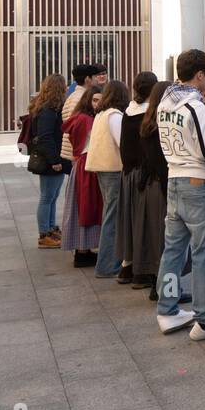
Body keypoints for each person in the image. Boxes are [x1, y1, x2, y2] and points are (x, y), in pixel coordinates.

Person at [155, 49, 205, 340]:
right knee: (203, 251)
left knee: (173, 250)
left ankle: (168, 309)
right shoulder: (193, 105)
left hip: (174, 177)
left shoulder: (165, 101)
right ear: (199, 74)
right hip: (199, 182)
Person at [116, 71, 158, 284]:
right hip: (144, 174)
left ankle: (127, 266)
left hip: (128, 173)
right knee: (146, 223)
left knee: (130, 221)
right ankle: (143, 272)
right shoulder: (149, 113)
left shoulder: (128, 111)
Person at [87, 80, 130, 279]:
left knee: (110, 214)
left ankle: (108, 263)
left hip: (101, 168)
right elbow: (124, 144)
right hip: (113, 169)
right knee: (112, 217)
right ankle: (106, 265)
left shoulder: (101, 114)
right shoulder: (114, 116)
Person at [61, 84, 104, 268]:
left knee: (82, 208)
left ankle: (83, 250)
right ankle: (83, 250)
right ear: (88, 100)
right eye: (94, 100)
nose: (97, 104)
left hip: (82, 165)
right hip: (87, 167)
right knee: (87, 208)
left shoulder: (82, 117)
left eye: (100, 101)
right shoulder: (86, 120)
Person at [135, 81, 171, 297]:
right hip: (161, 185)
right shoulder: (160, 124)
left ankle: (158, 285)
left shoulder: (147, 121)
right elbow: (161, 162)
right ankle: (163, 290)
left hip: (150, 184)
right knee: (166, 241)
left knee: (157, 237)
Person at [29, 74, 68, 249]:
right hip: (49, 160)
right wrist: (54, 160)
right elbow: (45, 137)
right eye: (64, 87)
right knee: (46, 197)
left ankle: (51, 228)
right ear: (58, 89)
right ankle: (44, 234)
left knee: (52, 197)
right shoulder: (47, 111)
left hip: (52, 158)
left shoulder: (50, 108)